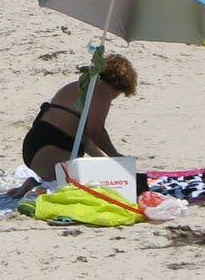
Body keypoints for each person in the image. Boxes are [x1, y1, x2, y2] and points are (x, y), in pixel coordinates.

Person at [19, 54, 138, 185]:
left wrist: (106, 161)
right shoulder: (101, 89)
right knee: (94, 185)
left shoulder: (83, 85)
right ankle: (34, 185)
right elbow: (95, 131)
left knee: (73, 180)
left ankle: (37, 184)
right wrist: (115, 156)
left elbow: (84, 140)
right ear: (120, 84)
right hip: (49, 149)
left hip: (36, 147)